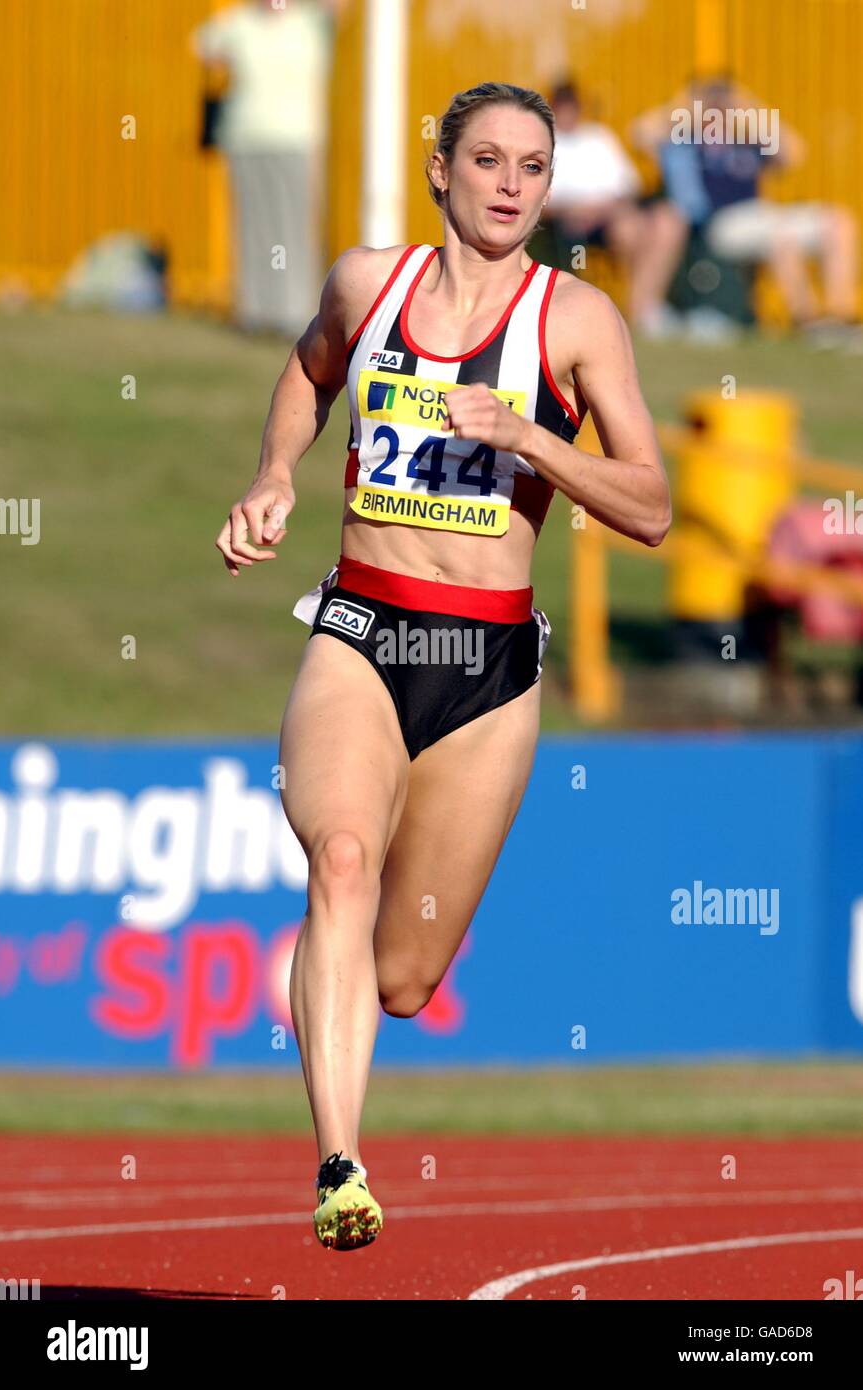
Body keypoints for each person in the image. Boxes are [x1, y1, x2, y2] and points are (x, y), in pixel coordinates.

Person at [215, 81, 671, 1250]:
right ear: (441, 168)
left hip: (489, 665)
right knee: (347, 856)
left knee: (404, 978)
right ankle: (340, 1167)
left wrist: (527, 437)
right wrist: (273, 478)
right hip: (364, 630)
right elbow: (311, 370)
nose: (511, 185)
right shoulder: (370, 284)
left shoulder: (574, 322)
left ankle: (328, 975)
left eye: (532, 165)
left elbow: (652, 506)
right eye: (488, 161)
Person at [631, 75, 862, 346]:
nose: (718, 108)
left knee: (839, 223)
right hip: (723, 224)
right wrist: (688, 105)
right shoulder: (687, 142)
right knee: (780, 236)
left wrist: (746, 104)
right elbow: (640, 133)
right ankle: (809, 322)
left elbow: (795, 152)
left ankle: (841, 318)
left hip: (763, 215)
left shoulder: (747, 139)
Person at [191, 0, 340, 337]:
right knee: (254, 224)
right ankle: (255, 309)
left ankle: (296, 311)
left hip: (296, 138)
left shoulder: (311, 21)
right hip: (247, 137)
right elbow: (203, 45)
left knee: (294, 226)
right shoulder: (239, 23)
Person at [544, 82, 687, 334]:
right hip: (570, 223)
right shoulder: (545, 141)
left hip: (611, 214)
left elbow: (628, 187)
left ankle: (644, 307)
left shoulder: (599, 137)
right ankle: (643, 309)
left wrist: (604, 208)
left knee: (669, 222)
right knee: (627, 231)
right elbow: (541, 197)